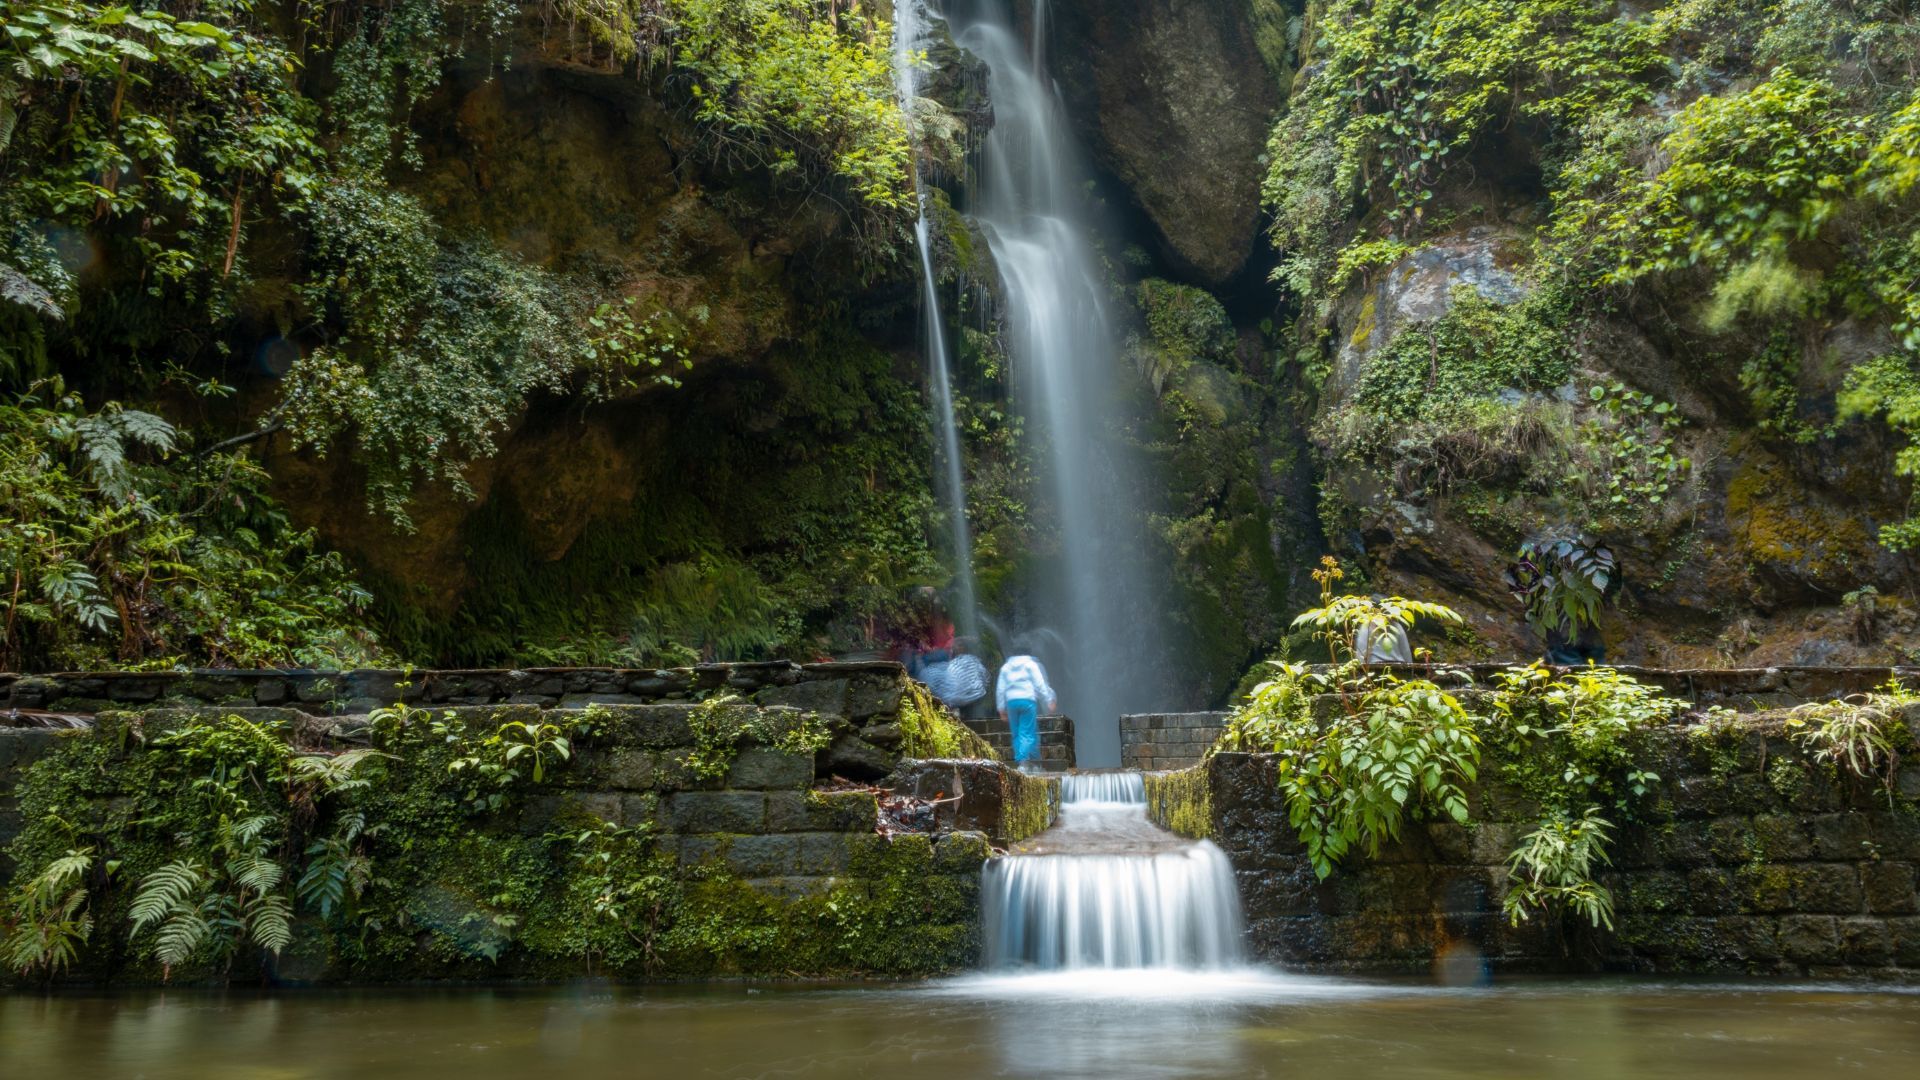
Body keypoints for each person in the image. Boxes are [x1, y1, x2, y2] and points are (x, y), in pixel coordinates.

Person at [996, 643, 1057, 770]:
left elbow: (1000, 689)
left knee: (1016, 733)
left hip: (1011, 702)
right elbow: (1040, 684)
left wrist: (1001, 708)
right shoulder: (1031, 665)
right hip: (1027, 701)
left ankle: (1029, 762)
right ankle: (1023, 762)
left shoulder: (1006, 667)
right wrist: (1048, 700)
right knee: (1027, 733)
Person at [935, 637, 989, 714]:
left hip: (968, 697)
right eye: (955, 646)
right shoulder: (953, 664)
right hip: (969, 697)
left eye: (960, 645)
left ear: (965, 648)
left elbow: (984, 676)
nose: (956, 648)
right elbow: (985, 678)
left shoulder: (969, 661)